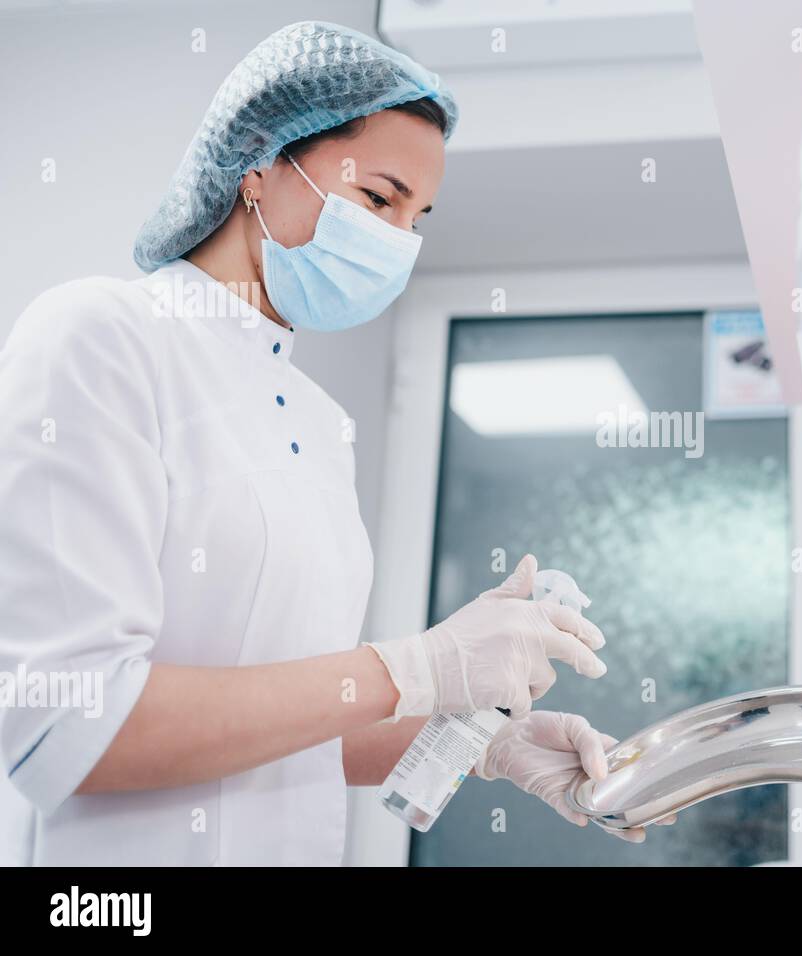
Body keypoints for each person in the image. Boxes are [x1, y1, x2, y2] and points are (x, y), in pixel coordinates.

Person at [0, 21, 666, 866]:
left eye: (418, 216)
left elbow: (296, 724)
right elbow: (67, 726)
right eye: (380, 199)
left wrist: (480, 740)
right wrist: (416, 663)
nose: (399, 240)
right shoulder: (101, 337)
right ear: (262, 163)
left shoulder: (318, 426)